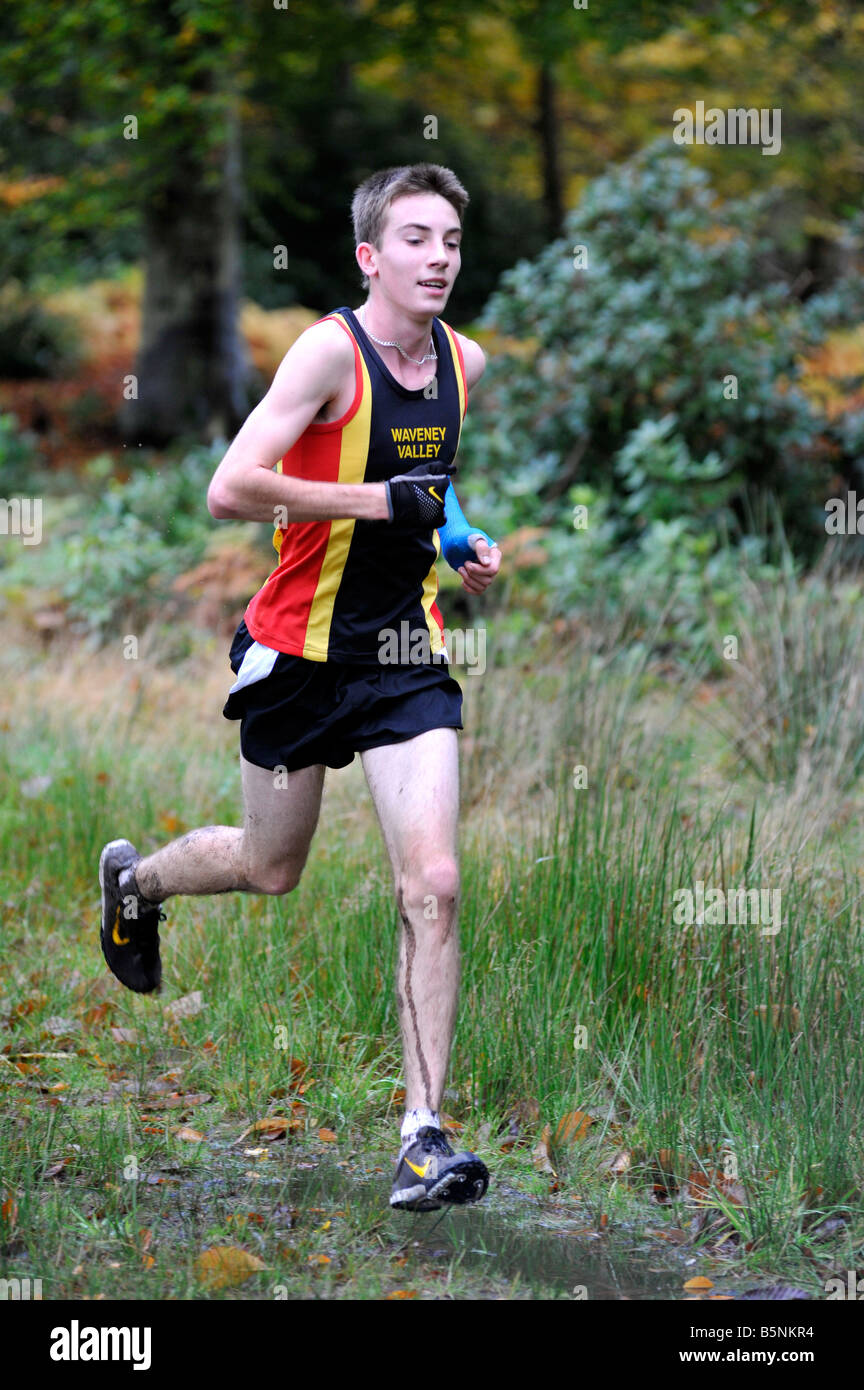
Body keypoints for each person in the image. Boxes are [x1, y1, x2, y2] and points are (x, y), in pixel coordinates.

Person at [99, 162, 502, 1212]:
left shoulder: (465, 361)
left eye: (452, 241)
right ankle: (136, 887)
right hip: (295, 650)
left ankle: (423, 1134)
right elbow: (229, 486)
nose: (439, 258)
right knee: (271, 868)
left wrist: (453, 535)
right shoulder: (330, 352)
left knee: (436, 882)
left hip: (403, 655)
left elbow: (432, 482)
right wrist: (381, 500)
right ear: (371, 256)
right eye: (416, 238)